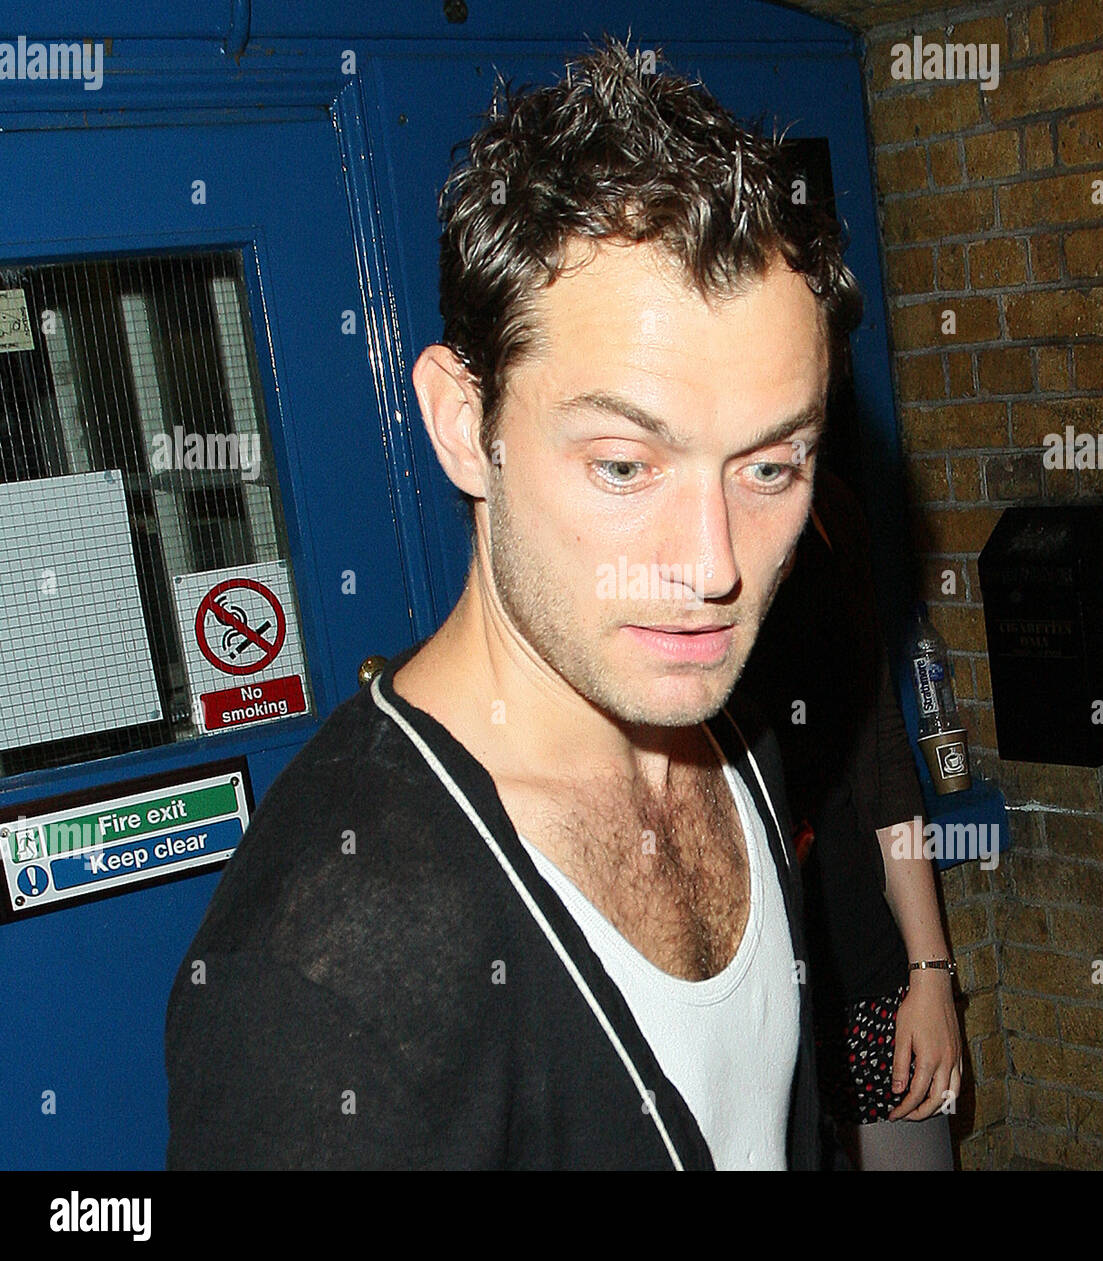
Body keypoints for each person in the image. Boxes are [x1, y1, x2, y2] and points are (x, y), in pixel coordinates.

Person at [163, 36, 863, 1170]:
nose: (713, 566)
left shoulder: (728, 735)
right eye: (625, 465)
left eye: (768, 467)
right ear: (461, 425)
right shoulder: (327, 966)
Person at [738, 468, 961, 1170]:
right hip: (755, 989)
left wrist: (929, 972)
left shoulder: (832, 505)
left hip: (864, 965)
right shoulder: (690, 527)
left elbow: (882, 749)